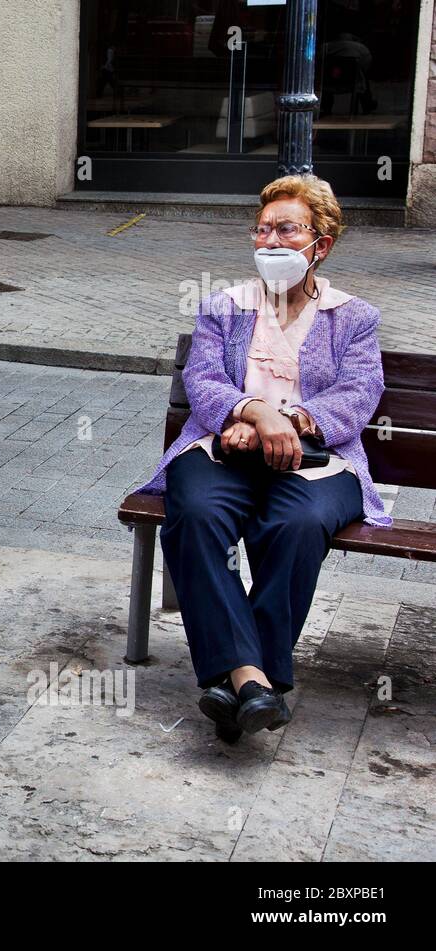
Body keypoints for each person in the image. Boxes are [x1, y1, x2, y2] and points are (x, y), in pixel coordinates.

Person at [137, 175, 387, 744]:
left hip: (318, 459)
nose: (271, 241)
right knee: (196, 513)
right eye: (263, 229)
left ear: (320, 244)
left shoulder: (354, 317)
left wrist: (289, 423)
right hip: (224, 448)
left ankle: (238, 684)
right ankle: (255, 680)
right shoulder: (224, 307)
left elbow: (357, 394)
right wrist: (249, 414)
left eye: (287, 229)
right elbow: (202, 381)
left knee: (296, 523)